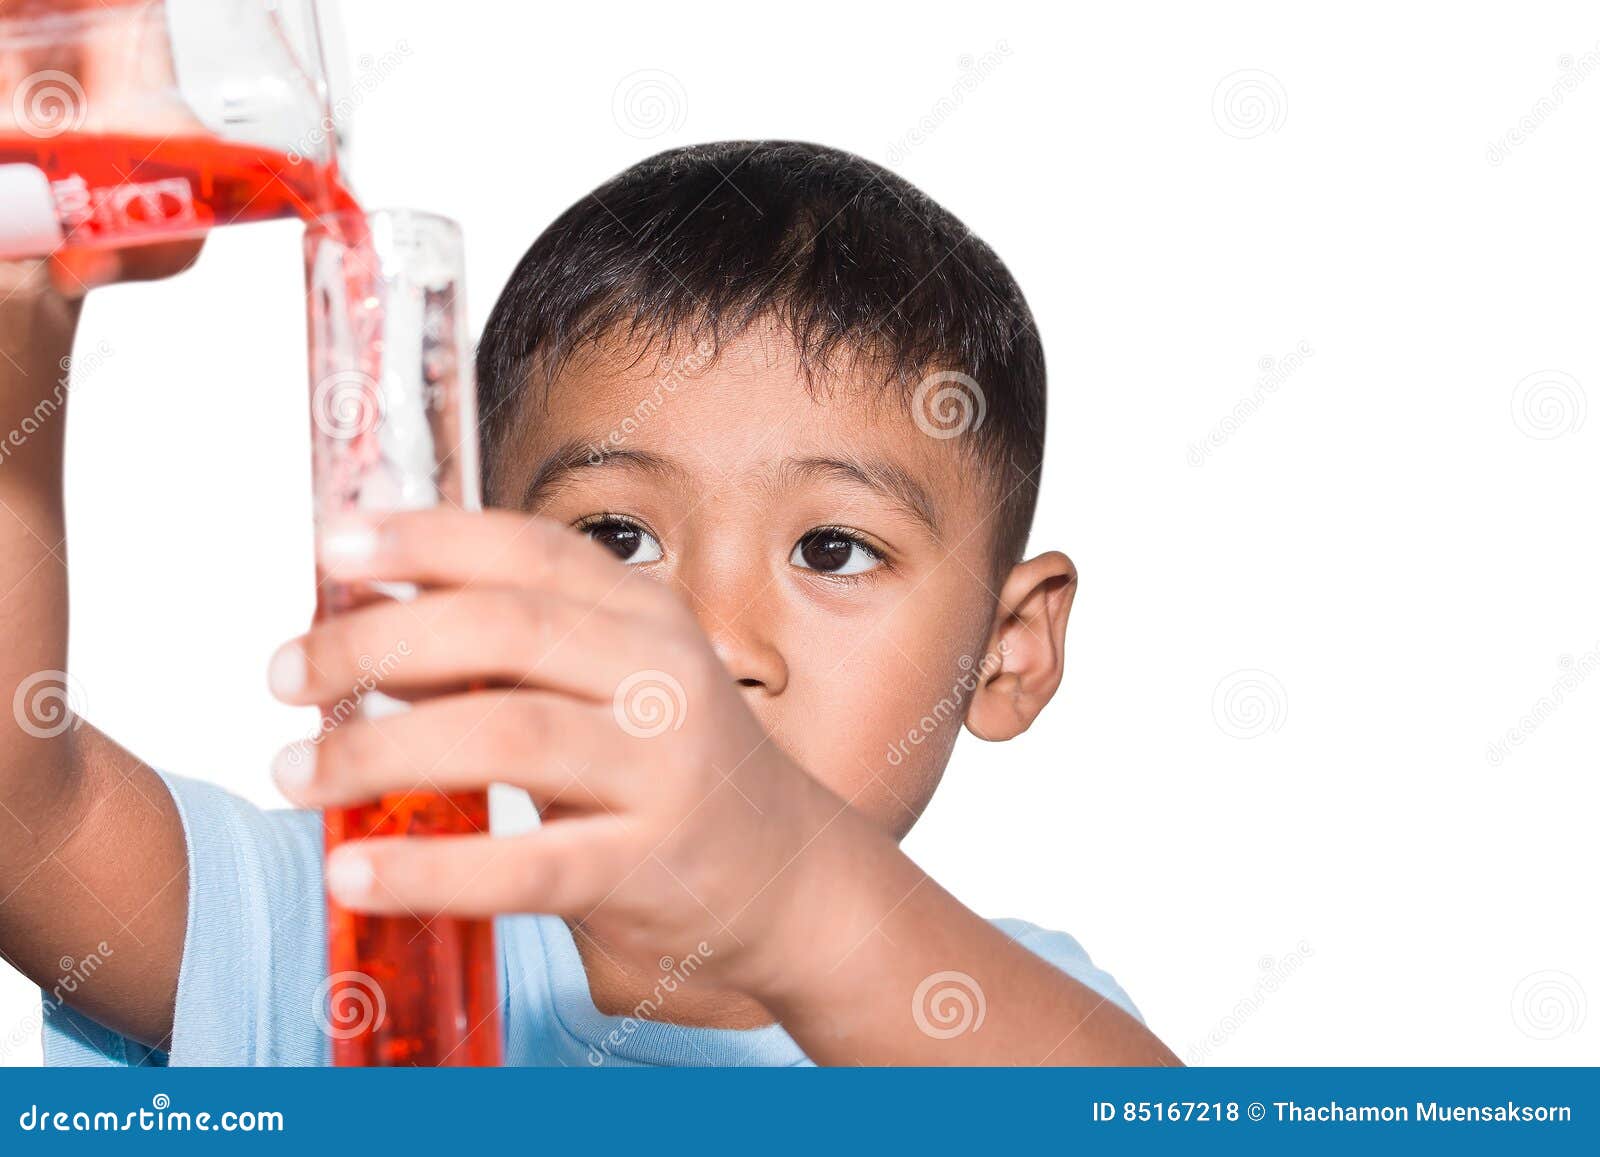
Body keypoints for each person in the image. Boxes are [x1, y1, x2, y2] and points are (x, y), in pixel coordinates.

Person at [0, 141, 1178, 1066]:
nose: (707, 640)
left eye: (832, 546)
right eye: (616, 536)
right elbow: (25, 825)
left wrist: (803, 892)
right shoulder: (359, 943)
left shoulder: (1002, 1023)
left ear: (1007, 651)